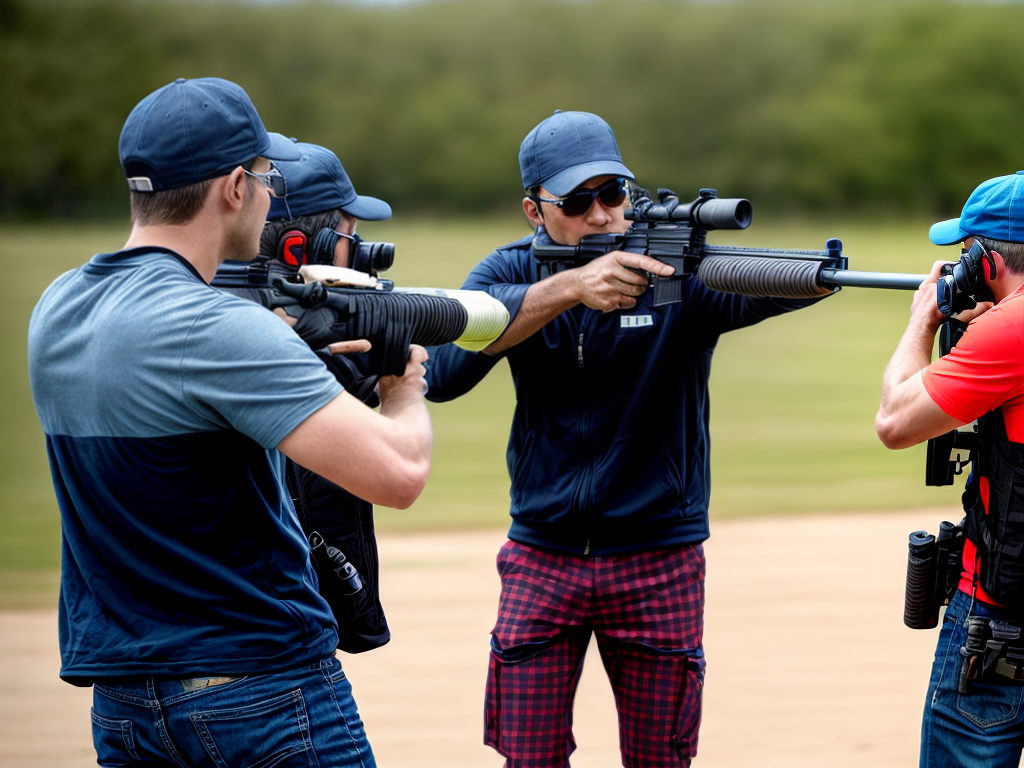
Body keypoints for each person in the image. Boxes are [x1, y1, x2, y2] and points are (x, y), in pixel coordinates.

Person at [26, 77, 432, 768]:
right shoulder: (221, 329)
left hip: (124, 703)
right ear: (235, 188)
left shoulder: (58, 306)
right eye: (267, 179)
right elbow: (398, 474)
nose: (272, 195)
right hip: (262, 690)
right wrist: (404, 391)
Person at [425, 109, 829, 768]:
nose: (601, 215)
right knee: (528, 758)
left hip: (658, 556)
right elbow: (443, 373)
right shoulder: (509, 270)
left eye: (613, 195)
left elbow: (772, 289)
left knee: (660, 760)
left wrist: (812, 273)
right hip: (543, 552)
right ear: (535, 210)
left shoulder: (672, 270)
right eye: (577, 201)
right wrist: (568, 290)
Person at [875, 172, 1024, 768]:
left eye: (964, 251)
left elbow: (894, 422)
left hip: (1000, 626)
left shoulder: (1007, 331)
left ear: (987, 260)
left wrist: (924, 320)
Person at [227, 134, 397, 653]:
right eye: (351, 233)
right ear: (305, 248)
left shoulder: (204, 312)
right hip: (275, 650)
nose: (363, 252)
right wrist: (403, 385)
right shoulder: (279, 345)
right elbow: (398, 475)